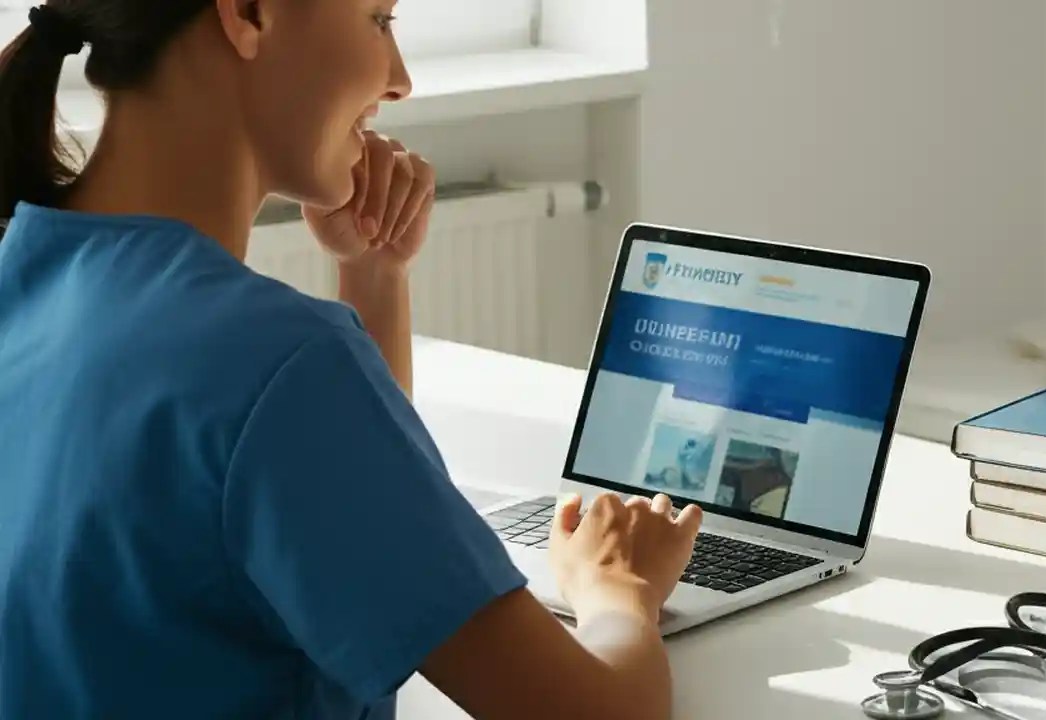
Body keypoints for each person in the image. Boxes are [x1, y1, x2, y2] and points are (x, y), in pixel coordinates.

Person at [0, 1, 703, 719]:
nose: (399, 80)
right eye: (378, 19)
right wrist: (618, 592)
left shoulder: (22, 277)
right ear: (247, 13)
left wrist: (375, 275)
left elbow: (338, 515)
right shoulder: (278, 363)